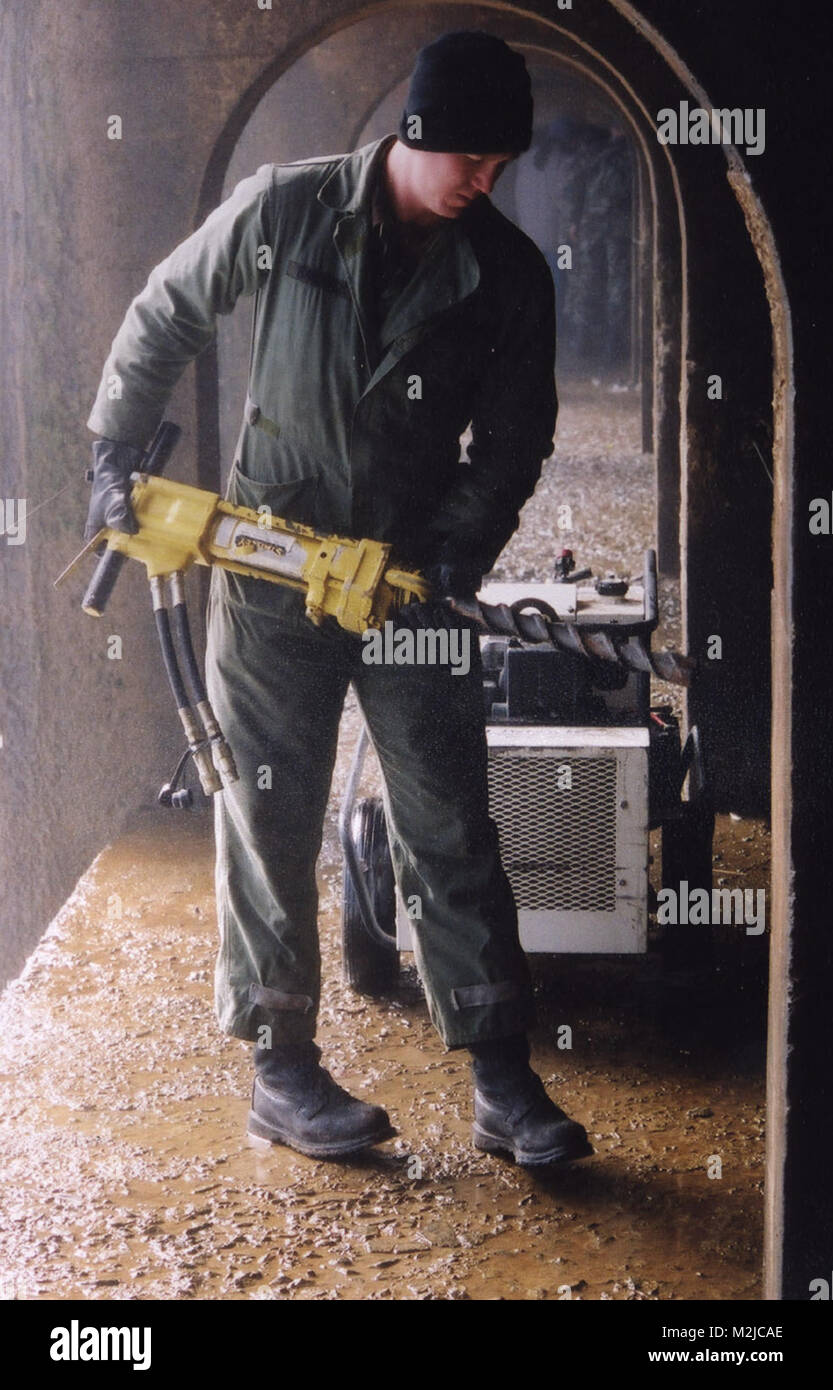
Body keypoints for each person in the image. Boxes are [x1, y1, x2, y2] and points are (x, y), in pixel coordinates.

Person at [85, 30, 593, 1168]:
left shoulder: (503, 275)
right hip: (268, 570)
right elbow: (168, 307)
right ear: (411, 132)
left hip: (407, 582)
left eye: (502, 164)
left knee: (449, 816)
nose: (484, 179)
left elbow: (515, 439)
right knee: (267, 814)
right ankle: (282, 1068)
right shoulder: (286, 213)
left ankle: (503, 1078)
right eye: (469, 155)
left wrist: (455, 551)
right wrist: (113, 448)